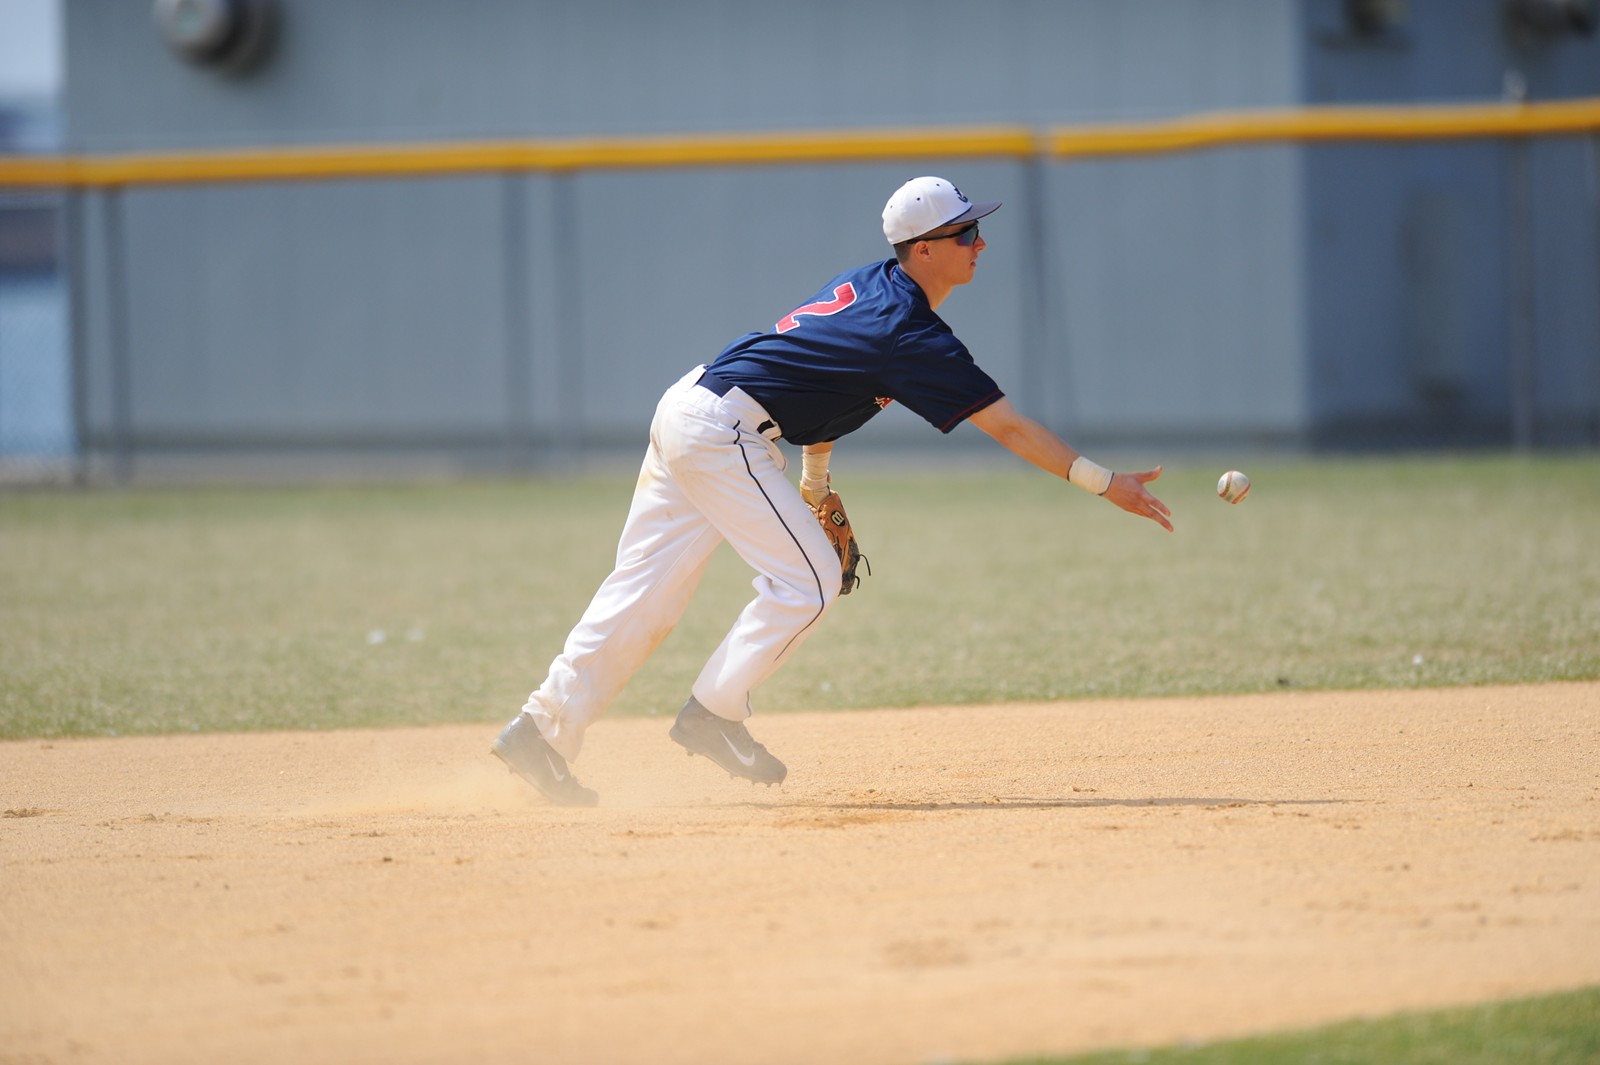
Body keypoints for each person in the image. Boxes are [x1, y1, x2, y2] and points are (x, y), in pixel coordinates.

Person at [491, 176, 1172, 806]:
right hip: (724, 431)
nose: (980, 243)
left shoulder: (872, 284)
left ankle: (540, 733)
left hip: (691, 408)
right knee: (810, 579)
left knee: (645, 594)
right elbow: (1010, 427)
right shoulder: (908, 332)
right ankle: (713, 713)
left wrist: (816, 483)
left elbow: (822, 395)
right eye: (966, 233)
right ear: (925, 249)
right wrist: (1104, 482)